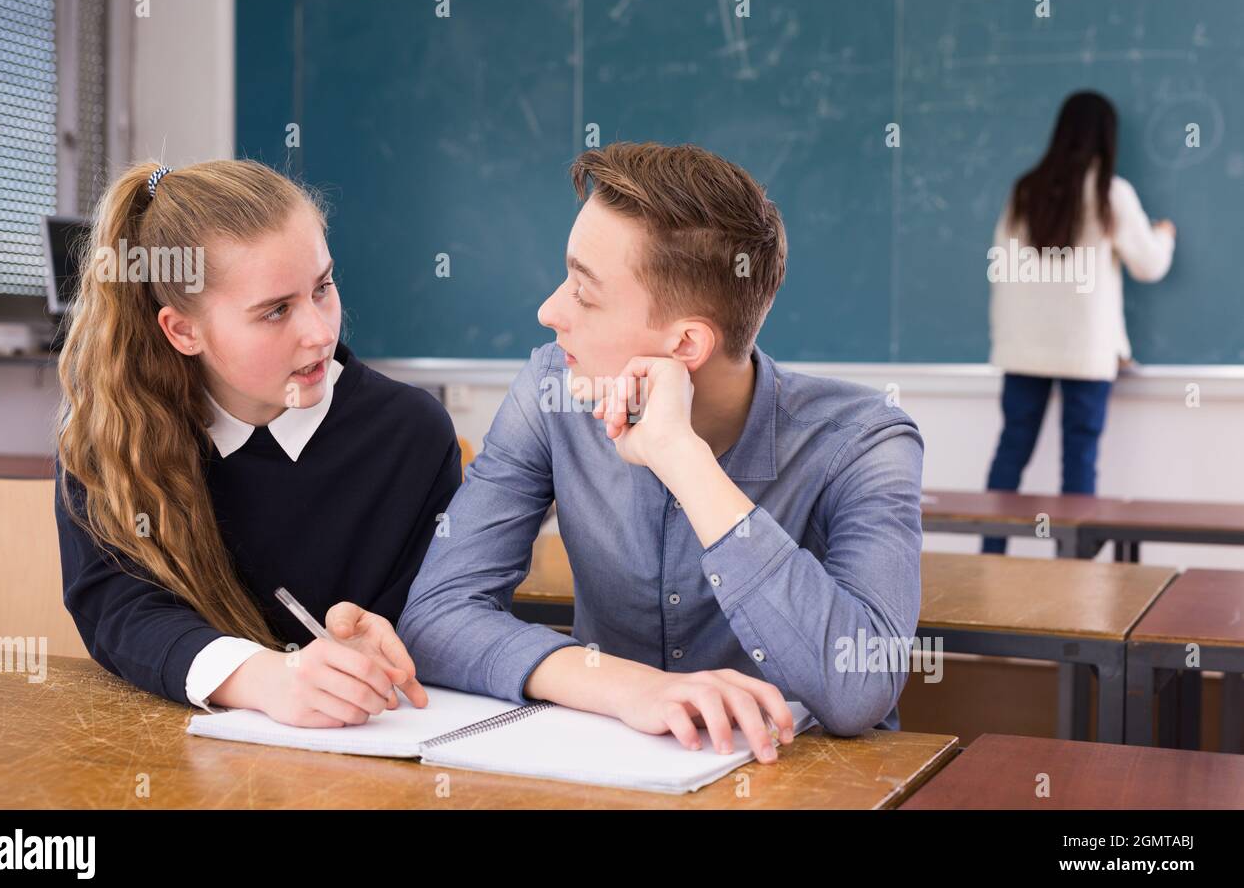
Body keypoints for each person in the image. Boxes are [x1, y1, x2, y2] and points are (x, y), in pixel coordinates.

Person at [398, 141, 925, 762]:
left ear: (685, 344)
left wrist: (685, 460)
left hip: (802, 782)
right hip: (614, 774)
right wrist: (632, 688)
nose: (548, 311)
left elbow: (858, 688)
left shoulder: (865, 440)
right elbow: (435, 617)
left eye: (584, 294)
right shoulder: (551, 391)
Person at [55, 159, 460, 725]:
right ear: (183, 331)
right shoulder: (113, 436)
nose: (320, 332)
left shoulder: (412, 434)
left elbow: (438, 612)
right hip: (176, 758)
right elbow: (117, 610)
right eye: (275, 311)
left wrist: (389, 642)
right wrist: (264, 678)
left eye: (323, 287)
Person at [983, 91, 1175, 553]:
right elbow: (1148, 265)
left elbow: (1002, 268)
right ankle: (1074, 575)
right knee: (1080, 461)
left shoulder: (1025, 189)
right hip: (1086, 352)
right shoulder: (1111, 193)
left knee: (1011, 453)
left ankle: (989, 557)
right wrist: (1164, 236)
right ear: (1107, 137)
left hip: (1024, 347)